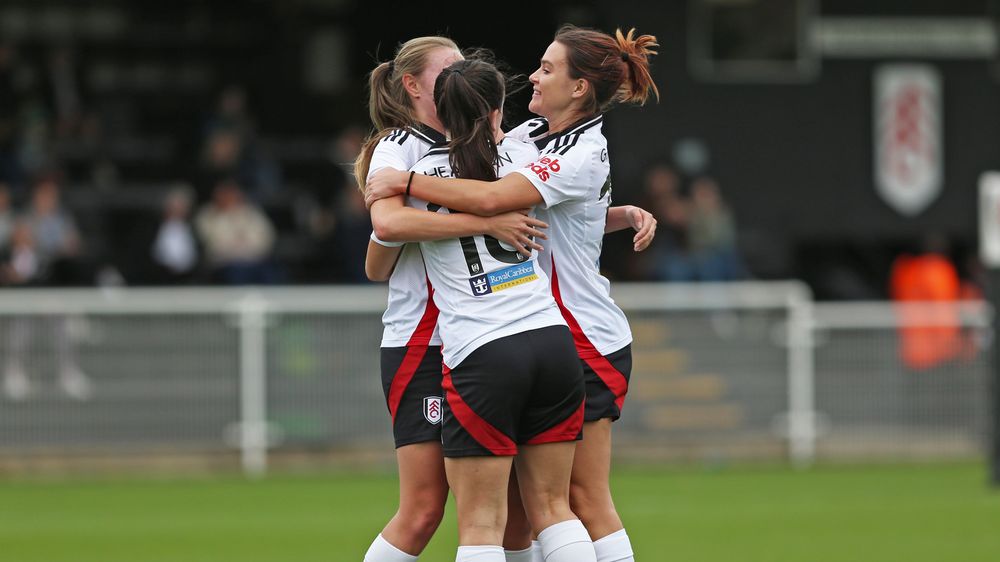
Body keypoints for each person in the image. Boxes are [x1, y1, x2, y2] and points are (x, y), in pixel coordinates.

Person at [366, 24, 660, 562]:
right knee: (528, 508)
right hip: (541, 334)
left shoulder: (567, 150)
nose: (533, 74)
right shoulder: (515, 142)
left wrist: (403, 186)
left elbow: (497, 199)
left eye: (547, 68)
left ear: (578, 89)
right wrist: (614, 216)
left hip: (568, 333)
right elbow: (390, 241)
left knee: (564, 502)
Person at [355, 38, 551, 562]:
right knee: (423, 510)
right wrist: (487, 220)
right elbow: (387, 224)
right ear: (413, 86)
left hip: (492, 338)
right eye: (446, 69)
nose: (457, 76)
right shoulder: (399, 147)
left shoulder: (493, 141)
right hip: (424, 339)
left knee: (517, 512)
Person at [194, 178, 280, 285]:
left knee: (273, 273)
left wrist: (247, 247)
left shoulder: (251, 212)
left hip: (254, 261)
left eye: (231, 194)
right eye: (224, 194)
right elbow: (212, 243)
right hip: (224, 263)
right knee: (237, 273)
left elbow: (266, 237)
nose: (228, 197)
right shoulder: (207, 215)